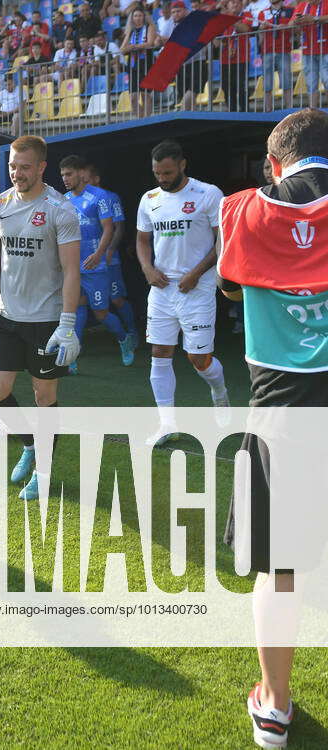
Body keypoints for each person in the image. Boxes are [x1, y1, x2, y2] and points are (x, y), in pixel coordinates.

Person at [217, 108, 328, 750]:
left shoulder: (240, 210)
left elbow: (232, 289)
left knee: (279, 569)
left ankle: (275, 708)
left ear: (273, 160)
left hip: (283, 407)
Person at [0, 135, 82, 501]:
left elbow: (71, 270)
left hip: (46, 321)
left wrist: (67, 324)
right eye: (13, 166)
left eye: (25, 167)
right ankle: (30, 445)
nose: (17, 173)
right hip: (8, 317)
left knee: (43, 398)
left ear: (42, 168)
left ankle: (43, 474)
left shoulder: (60, 209)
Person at [135, 140, 229, 445]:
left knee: (198, 359)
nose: (162, 178)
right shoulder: (149, 199)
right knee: (159, 354)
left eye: (168, 172)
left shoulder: (208, 194)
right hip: (161, 290)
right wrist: (147, 269)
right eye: (157, 173)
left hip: (197, 288)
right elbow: (142, 240)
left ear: (182, 165)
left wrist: (196, 273)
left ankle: (219, 392)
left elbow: (223, 242)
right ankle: (167, 425)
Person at [60, 154, 134, 372]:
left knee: (101, 313)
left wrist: (99, 254)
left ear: (82, 174)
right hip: (73, 267)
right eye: (63, 174)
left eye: (69, 174)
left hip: (95, 266)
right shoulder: (64, 200)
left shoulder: (99, 197)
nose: (65, 178)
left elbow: (109, 228)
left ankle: (123, 339)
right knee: (75, 309)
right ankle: (72, 356)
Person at [86, 162, 137, 344]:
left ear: (96, 179)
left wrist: (110, 251)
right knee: (82, 303)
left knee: (116, 299)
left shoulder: (110, 197)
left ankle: (132, 331)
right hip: (87, 262)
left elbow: (118, 227)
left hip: (109, 260)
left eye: (87, 178)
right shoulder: (78, 199)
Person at [256, 0, 294, 112]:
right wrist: (260, 29)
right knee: (267, 81)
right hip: (267, 51)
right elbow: (260, 36)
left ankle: (289, 109)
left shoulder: (289, 11)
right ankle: (268, 109)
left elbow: (296, 31)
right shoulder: (262, 13)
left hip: (284, 50)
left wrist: (286, 26)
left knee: (286, 79)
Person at [121, 8, 158, 118]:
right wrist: (132, 47)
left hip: (146, 63)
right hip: (133, 65)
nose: (137, 18)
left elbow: (150, 43)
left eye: (140, 15)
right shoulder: (130, 31)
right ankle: (141, 119)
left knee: (145, 94)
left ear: (144, 17)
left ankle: (147, 120)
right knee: (133, 98)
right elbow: (122, 49)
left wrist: (133, 47)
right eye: (135, 16)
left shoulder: (149, 27)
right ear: (132, 18)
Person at [293, 0, 328, 109]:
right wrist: (296, 22)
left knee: (327, 80)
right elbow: (291, 25)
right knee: (311, 84)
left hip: (326, 50)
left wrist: (314, 19)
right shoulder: (301, 5)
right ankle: (312, 112)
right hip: (308, 51)